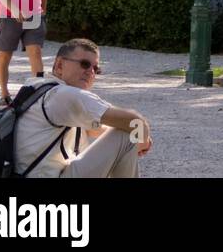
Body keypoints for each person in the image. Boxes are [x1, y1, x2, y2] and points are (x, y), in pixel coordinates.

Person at [12, 38, 151, 178]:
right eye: (85, 64)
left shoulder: (40, 86)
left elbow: (93, 129)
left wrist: (131, 140)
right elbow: (137, 123)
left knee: (127, 131)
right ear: (59, 65)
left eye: (96, 69)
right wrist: (141, 142)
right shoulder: (65, 95)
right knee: (129, 135)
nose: (91, 72)